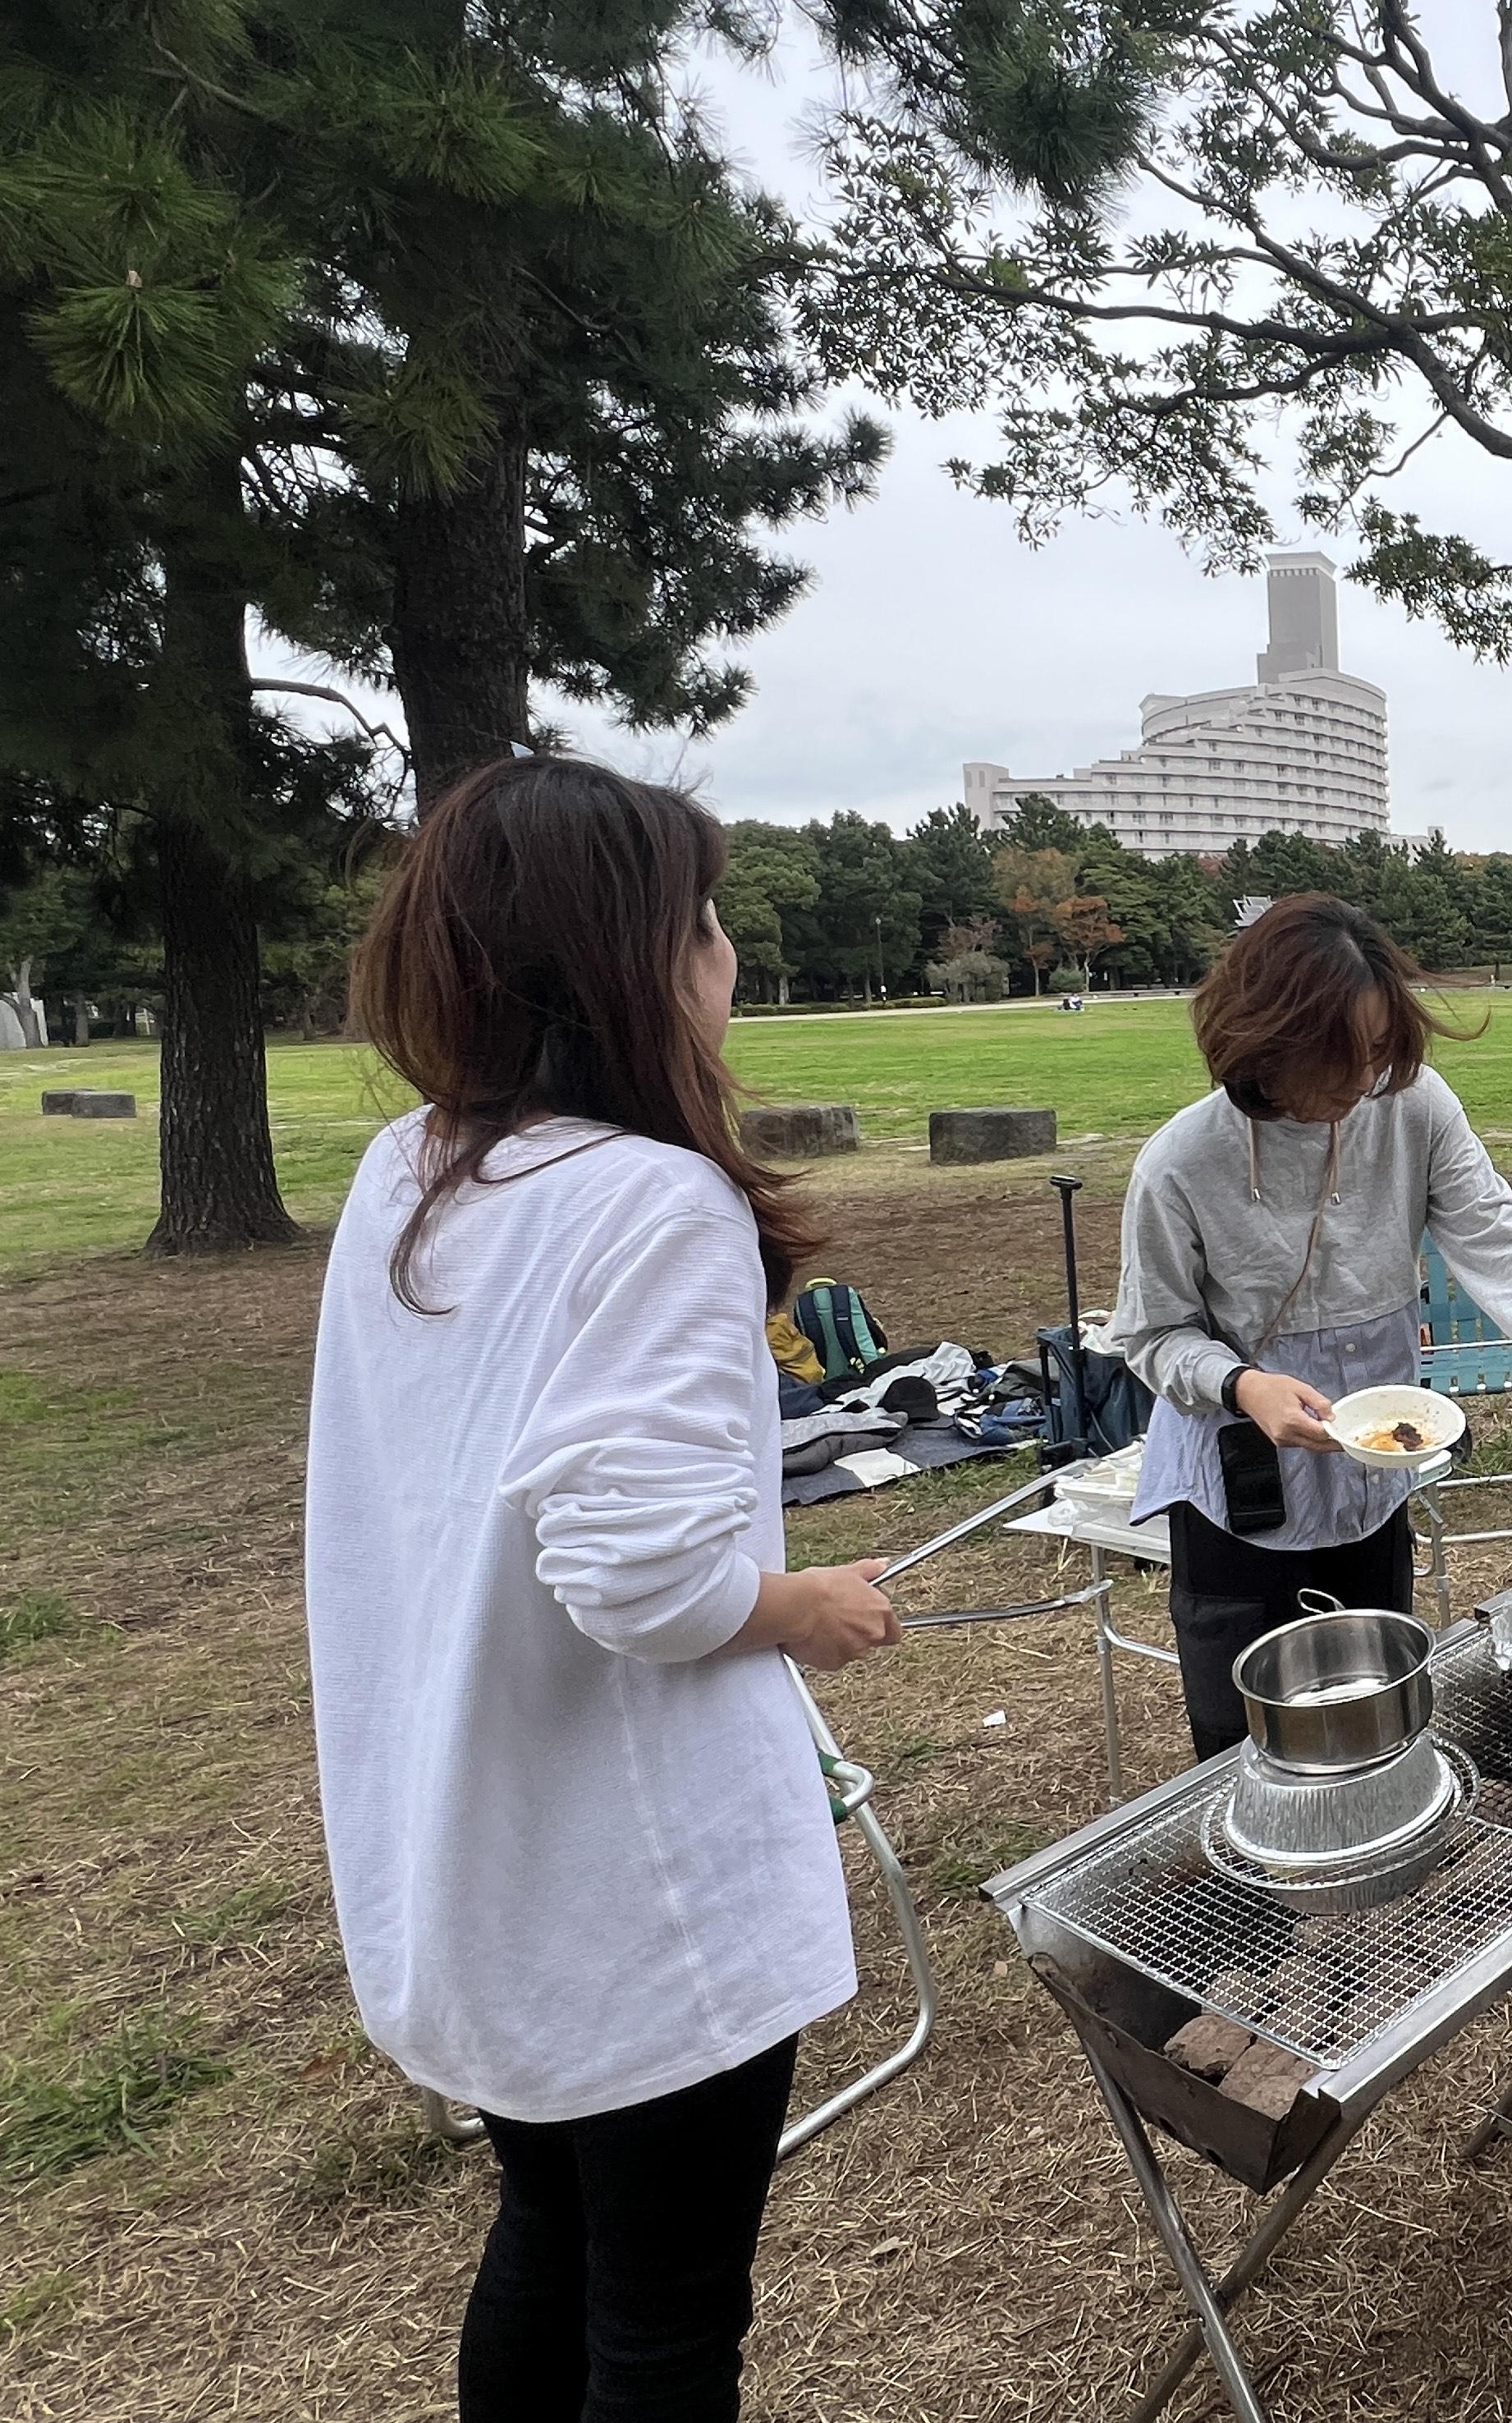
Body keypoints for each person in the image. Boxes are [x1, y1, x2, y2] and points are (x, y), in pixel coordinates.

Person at [307, 754, 904, 2421]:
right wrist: (805, 1608)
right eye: (706, 925)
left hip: (479, 1856)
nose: (727, 963)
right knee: (660, 2321)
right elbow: (641, 1576)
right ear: (639, 961)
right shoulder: (655, 1201)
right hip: (633, 1899)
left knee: (550, 2237)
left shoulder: (416, 1173)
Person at [1106, 893, 1512, 1755]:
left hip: (1371, 1474)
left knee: (1377, 1701)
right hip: (1239, 1480)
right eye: (1339, 1054)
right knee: (1249, 1726)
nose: (1364, 1078)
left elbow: (1496, 1235)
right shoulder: (1182, 1162)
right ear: (1265, 1038)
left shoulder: (1413, 1105)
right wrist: (1242, 1384)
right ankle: (1254, 1878)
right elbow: (1149, 1335)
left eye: (1376, 1050)